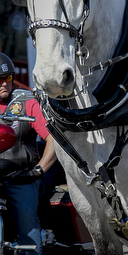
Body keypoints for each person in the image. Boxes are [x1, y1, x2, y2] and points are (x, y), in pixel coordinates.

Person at [0, 53, 57, 255]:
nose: (4, 84)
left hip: (22, 177)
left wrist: (38, 171)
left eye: (7, 78)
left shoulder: (27, 102)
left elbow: (53, 138)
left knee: (28, 225)